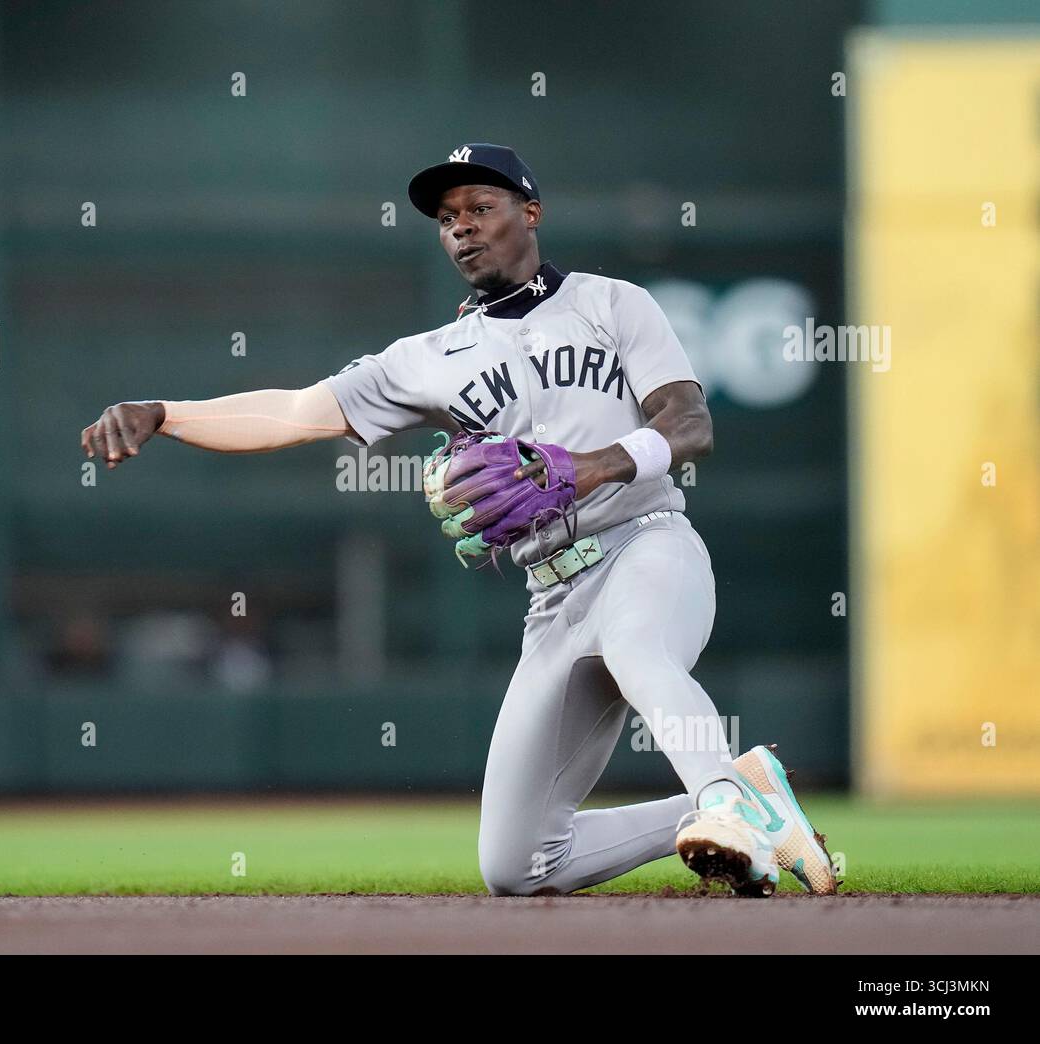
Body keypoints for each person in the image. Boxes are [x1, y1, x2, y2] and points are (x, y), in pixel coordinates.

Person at [81, 143, 836, 897]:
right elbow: (291, 411)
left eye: (482, 207)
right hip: (555, 600)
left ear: (530, 212)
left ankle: (724, 803)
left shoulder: (613, 303)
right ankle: (742, 800)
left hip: (647, 546)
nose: (462, 228)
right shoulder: (428, 360)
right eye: (448, 219)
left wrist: (588, 466)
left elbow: (689, 423)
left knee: (640, 649)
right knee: (518, 864)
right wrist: (166, 412)